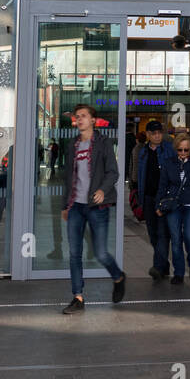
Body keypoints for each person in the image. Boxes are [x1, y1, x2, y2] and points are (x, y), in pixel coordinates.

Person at [61, 104, 125, 313]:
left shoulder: (104, 143)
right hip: (76, 207)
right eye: (77, 117)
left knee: (100, 253)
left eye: (83, 116)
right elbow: (68, 178)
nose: (79, 120)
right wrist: (65, 205)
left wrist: (102, 190)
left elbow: (113, 173)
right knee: (74, 253)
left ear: (93, 120)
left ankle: (118, 277)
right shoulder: (73, 145)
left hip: (97, 206)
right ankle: (77, 297)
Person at [158, 133, 190, 284]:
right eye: (180, 150)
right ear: (176, 149)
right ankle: (179, 273)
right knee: (176, 239)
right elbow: (162, 186)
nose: (183, 153)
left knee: (189, 237)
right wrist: (158, 205)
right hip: (173, 205)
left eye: (186, 150)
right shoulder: (169, 163)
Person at [136, 120, 174, 278]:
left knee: (163, 233)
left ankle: (158, 267)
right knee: (152, 235)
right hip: (148, 198)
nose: (158, 136)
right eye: (154, 133)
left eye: (159, 132)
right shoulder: (143, 151)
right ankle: (164, 265)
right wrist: (139, 196)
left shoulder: (169, 150)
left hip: (164, 198)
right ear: (148, 135)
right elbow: (138, 174)